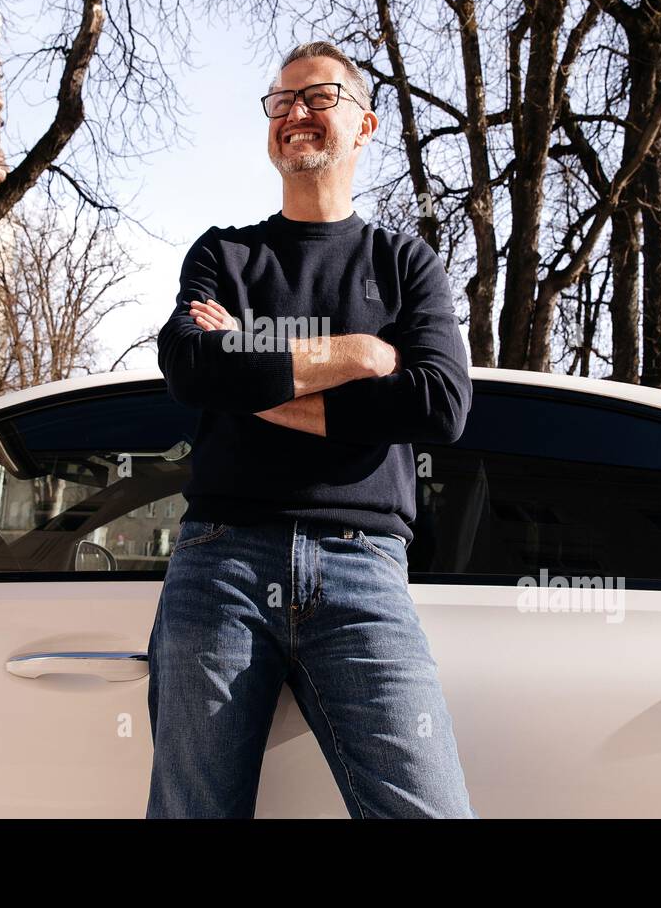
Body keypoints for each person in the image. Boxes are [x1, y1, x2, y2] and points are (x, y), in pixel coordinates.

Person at [147, 40, 476, 819]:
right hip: (220, 561)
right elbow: (192, 366)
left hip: (364, 568)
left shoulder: (406, 264)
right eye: (280, 101)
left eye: (316, 97)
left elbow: (438, 404)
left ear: (363, 125)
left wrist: (252, 364)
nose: (294, 113)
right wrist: (359, 354)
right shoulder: (224, 254)